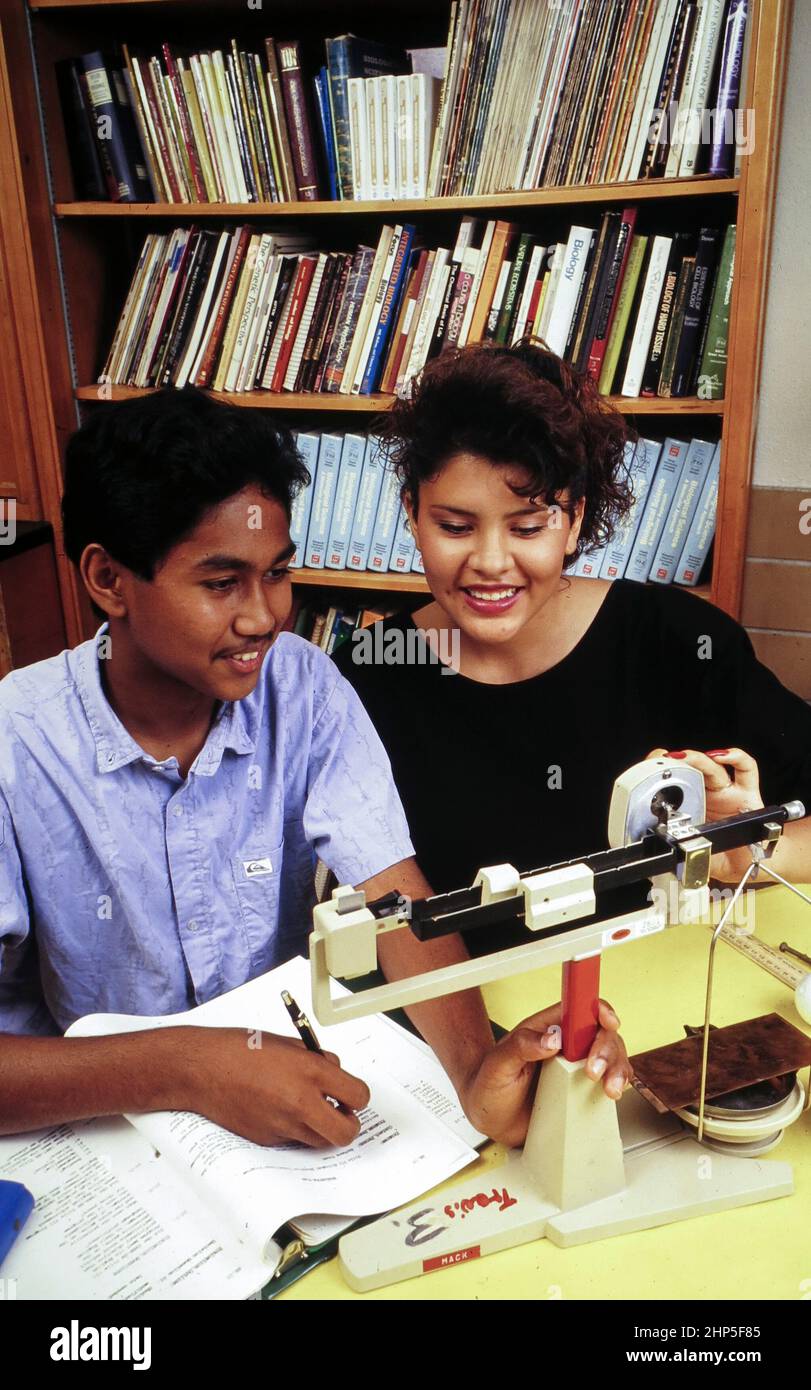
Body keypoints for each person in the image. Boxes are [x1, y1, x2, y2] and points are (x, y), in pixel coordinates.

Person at [0, 386, 628, 1153]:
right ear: (108, 581)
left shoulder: (301, 686)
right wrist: (191, 1068)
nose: (264, 616)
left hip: (276, 1107)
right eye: (221, 582)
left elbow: (395, 899)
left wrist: (473, 1076)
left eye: (275, 574)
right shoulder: (16, 741)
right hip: (89, 1129)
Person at [334, 341, 811, 952]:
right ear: (412, 514)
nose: (490, 563)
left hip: (650, 1011)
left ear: (576, 520)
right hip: (465, 1023)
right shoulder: (366, 675)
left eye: (528, 526)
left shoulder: (677, 643)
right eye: (454, 527)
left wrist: (750, 850)